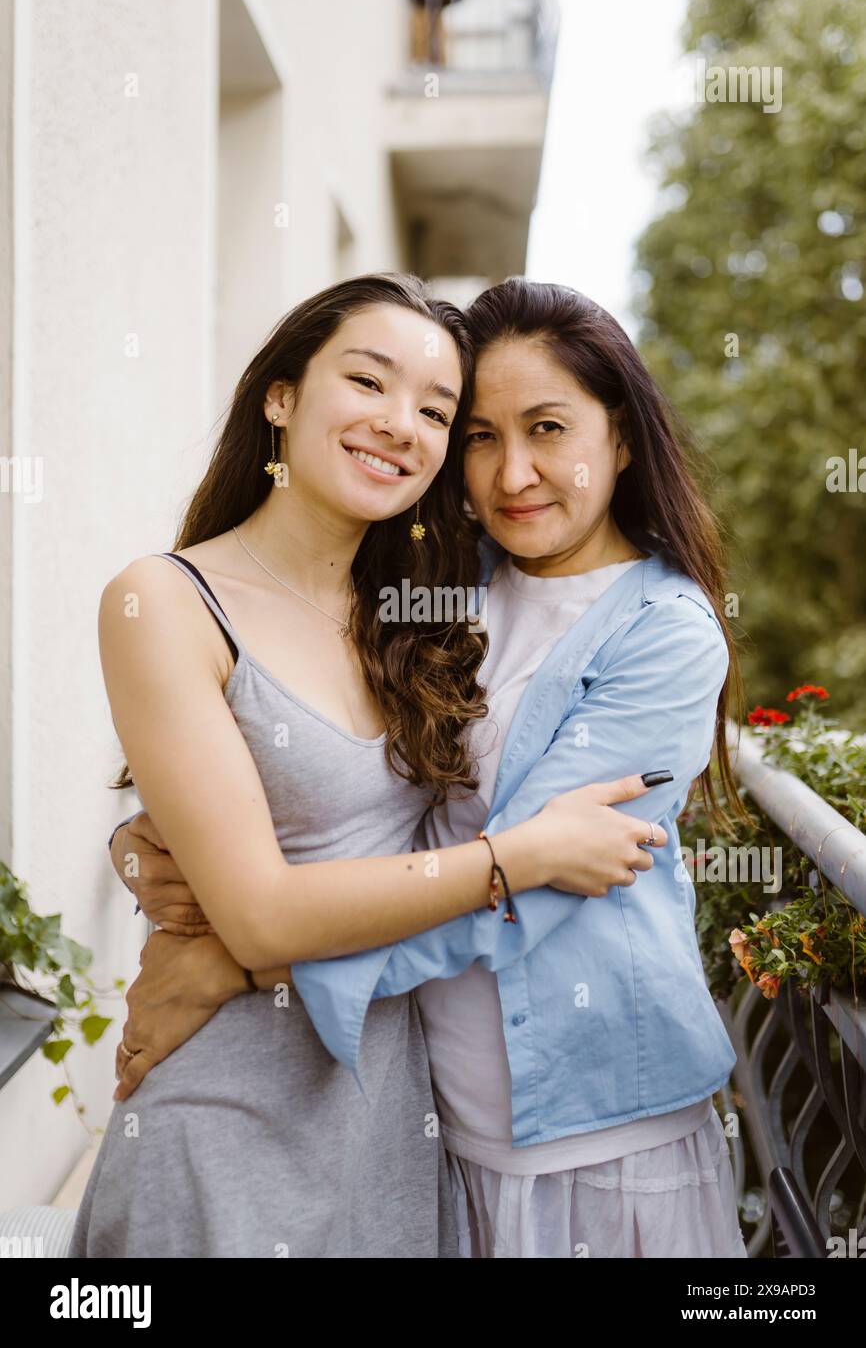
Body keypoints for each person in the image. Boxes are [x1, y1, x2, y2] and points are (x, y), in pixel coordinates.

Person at [68, 273, 665, 1260]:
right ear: (280, 395)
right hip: (224, 1128)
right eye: (367, 382)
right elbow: (261, 907)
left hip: (391, 1122)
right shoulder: (167, 601)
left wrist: (176, 895)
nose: (400, 424)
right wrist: (519, 856)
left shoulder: (421, 612)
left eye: (436, 412)